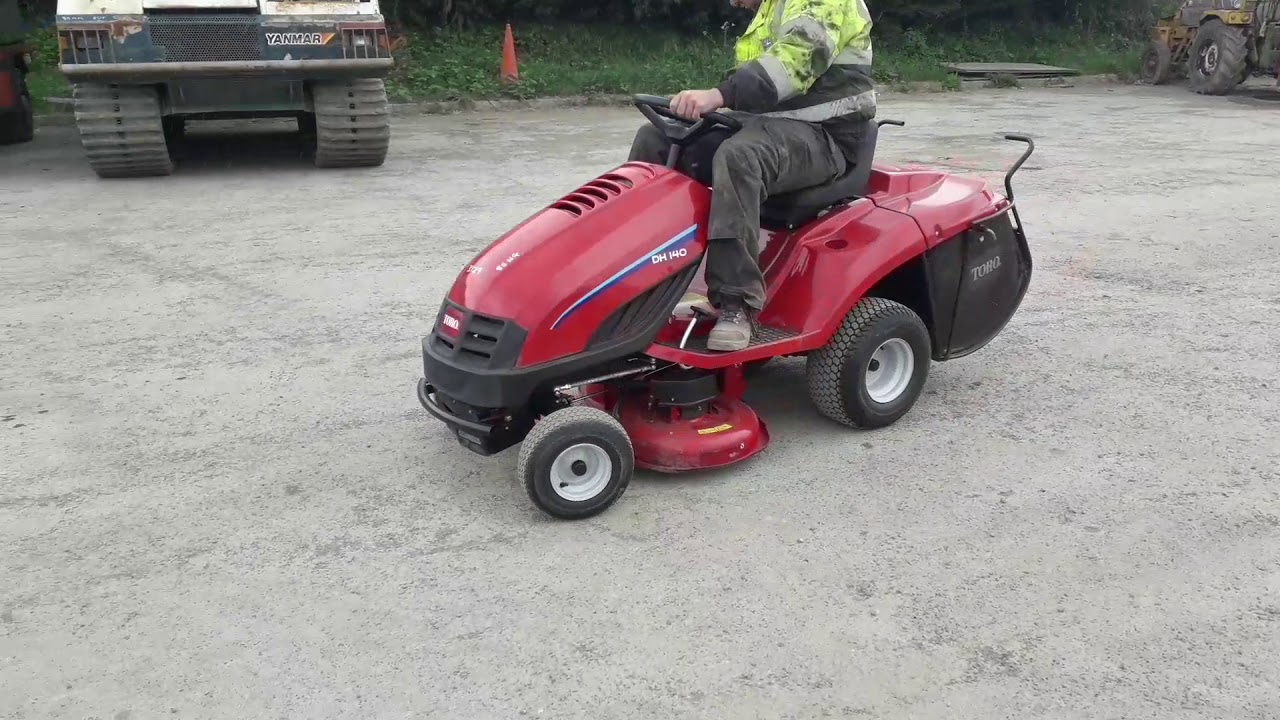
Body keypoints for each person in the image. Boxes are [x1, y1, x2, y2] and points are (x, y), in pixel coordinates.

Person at [628, 0, 877, 351]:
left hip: (827, 135)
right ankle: (636, 280)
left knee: (740, 157)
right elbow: (755, 86)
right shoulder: (771, 8)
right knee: (656, 138)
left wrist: (717, 95)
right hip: (767, 127)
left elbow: (793, 61)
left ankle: (736, 303)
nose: (732, 2)